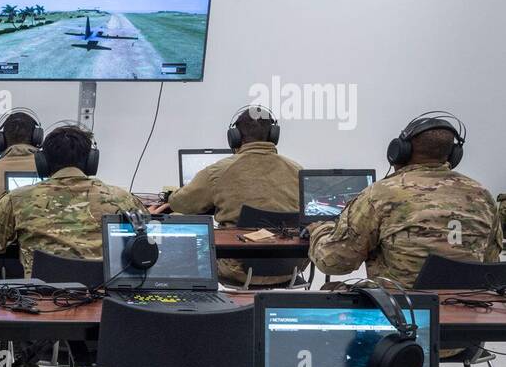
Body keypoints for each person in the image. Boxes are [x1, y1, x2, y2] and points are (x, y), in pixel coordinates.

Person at [0, 123, 146, 367]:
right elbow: (146, 243)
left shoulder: (19, 198)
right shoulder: (121, 199)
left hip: (39, 312)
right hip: (103, 311)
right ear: (91, 162)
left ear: (42, 162)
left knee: (5, 283)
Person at [308, 113, 501, 286]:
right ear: (453, 155)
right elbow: (491, 263)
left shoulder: (380, 195)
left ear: (399, 152)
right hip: (468, 312)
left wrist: (319, 231)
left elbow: (334, 262)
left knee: (330, 288)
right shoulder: (482, 196)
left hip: (404, 312)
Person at [153, 105, 307, 286]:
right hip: (290, 269)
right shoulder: (298, 171)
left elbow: (181, 204)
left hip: (237, 270)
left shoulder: (219, 171)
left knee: (177, 220)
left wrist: (172, 196)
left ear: (234, 138)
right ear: (274, 135)